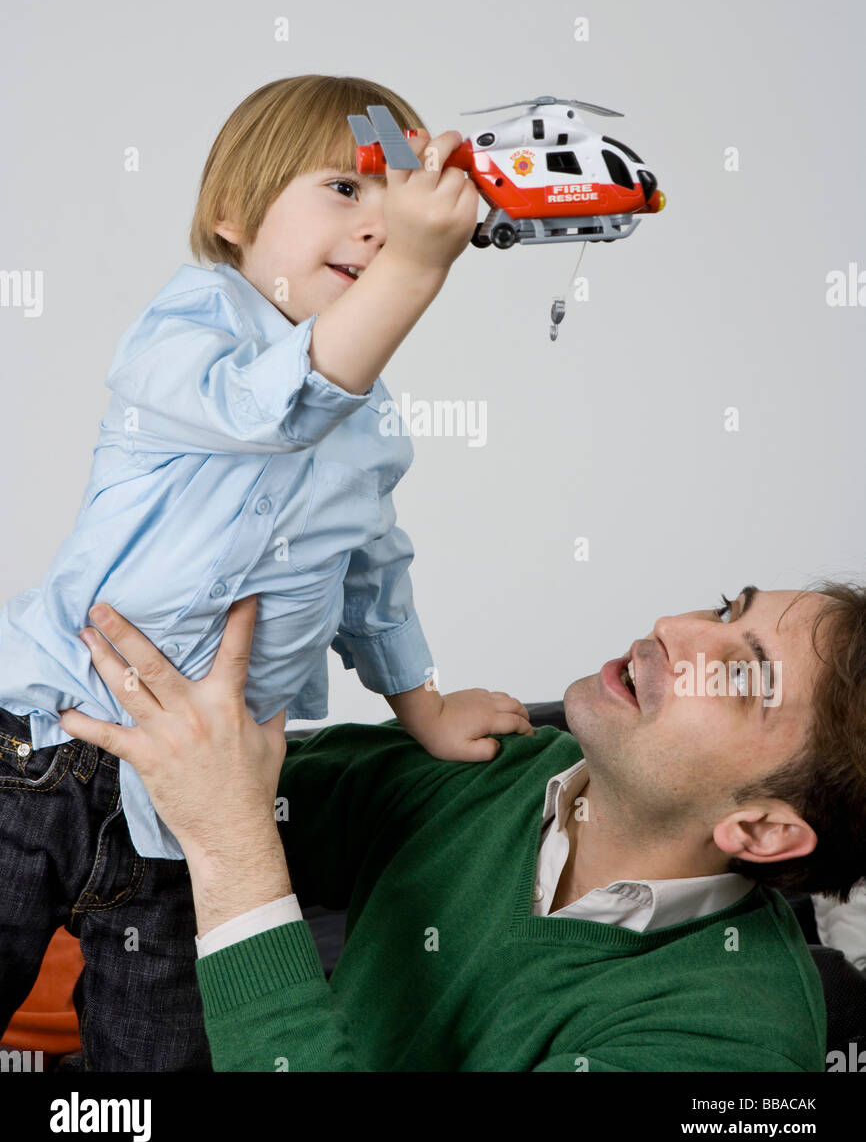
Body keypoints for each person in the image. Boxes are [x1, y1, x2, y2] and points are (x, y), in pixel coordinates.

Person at [0, 74, 535, 1072]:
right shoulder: (189, 326)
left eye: (397, 197)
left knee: (160, 1064)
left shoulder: (368, 420)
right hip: (43, 751)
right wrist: (415, 270)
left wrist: (418, 703)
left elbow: (371, 571)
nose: (378, 225)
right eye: (345, 187)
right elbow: (267, 412)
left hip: (192, 809)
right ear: (232, 216)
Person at [57, 578, 866, 1072]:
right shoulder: (498, 765)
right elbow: (196, 791)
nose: (677, 629)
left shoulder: (732, 1047)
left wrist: (230, 844)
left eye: (738, 671)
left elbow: (229, 826)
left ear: (761, 832)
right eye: (726, 605)